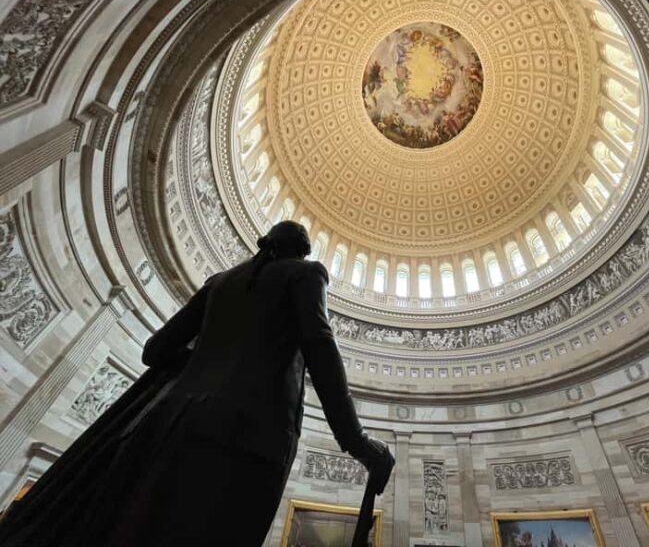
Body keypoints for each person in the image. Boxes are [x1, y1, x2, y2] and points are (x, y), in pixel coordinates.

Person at [0, 220, 393, 546]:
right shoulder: (306, 275)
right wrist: (357, 442)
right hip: (247, 440)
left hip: (164, 427)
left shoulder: (219, 282)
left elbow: (154, 351)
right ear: (299, 252)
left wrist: (206, 361)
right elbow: (320, 347)